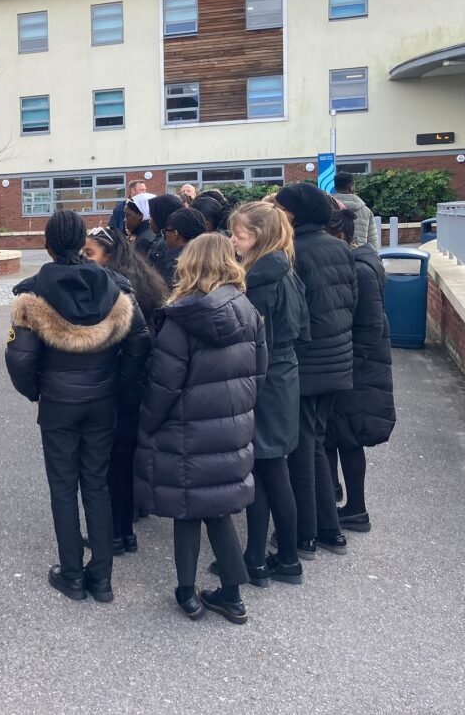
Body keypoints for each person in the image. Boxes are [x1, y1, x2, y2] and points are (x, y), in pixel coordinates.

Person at [6, 211, 148, 603]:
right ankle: (101, 578)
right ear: (80, 241)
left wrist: (38, 391)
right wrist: (118, 384)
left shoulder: (31, 293)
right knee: (97, 484)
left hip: (58, 402)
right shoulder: (115, 285)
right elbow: (140, 341)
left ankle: (71, 574)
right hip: (104, 399)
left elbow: (19, 358)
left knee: (63, 487)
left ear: (48, 245)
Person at [135, 234, 267, 624]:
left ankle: (187, 592)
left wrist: (147, 425)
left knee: (188, 513)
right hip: (231, 429)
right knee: (219, 510)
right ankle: (232, 596)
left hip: (184, 431)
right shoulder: (248, 310)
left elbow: (163, 386)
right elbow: (260, 373)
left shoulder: (181, 320)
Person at [274, 182, 357, 559]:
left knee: (302, 451)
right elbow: (351, 304)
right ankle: (331, 529)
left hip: (307, 366)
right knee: (318, 446)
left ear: (295, 214)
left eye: (281, 207)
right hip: (337, 361)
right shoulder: (341, 248)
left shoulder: (293, 254)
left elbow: (294, 317)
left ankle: (305, 535)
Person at [229, 201, 310, 586]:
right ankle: (262, 556)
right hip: (285, 375)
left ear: (256, 237)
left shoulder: (261, 280)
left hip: (268, 380)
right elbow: (304, 333)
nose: (233, 241)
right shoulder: (287, 271)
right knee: (270, 470)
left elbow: (253, 344)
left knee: (267, 471)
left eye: (239, 235)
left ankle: (273, 559)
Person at [82, 227, 163, 555]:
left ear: (109, 256)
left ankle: (113, 534)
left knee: (109, 462)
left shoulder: (113, 289)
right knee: (126, 459)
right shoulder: (142, 280)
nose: (85, 260)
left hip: (120, 382)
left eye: (90, 254)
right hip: (139, 382)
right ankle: (125, 531)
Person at [325, 207, 396, 533]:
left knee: (348, 439)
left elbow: (370, 327)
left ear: (340, 237)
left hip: (356, 371)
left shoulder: (361, 271)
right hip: (353, 367)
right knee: (337, 437)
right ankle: (339, 498)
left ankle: (356, 509)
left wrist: (344, 366)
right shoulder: (360, 265)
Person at [155, 207, 206, 287]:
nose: (165, 236)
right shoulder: (210, 258)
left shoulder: (170, 263)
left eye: (166, 232)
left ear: (176, 234)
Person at [334, 172, 379, 249]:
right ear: (351, 187)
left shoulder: (327, 208)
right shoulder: (366, 211)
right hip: (359, 257)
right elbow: (373, 242)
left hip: (334, 256)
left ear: (335, 187)